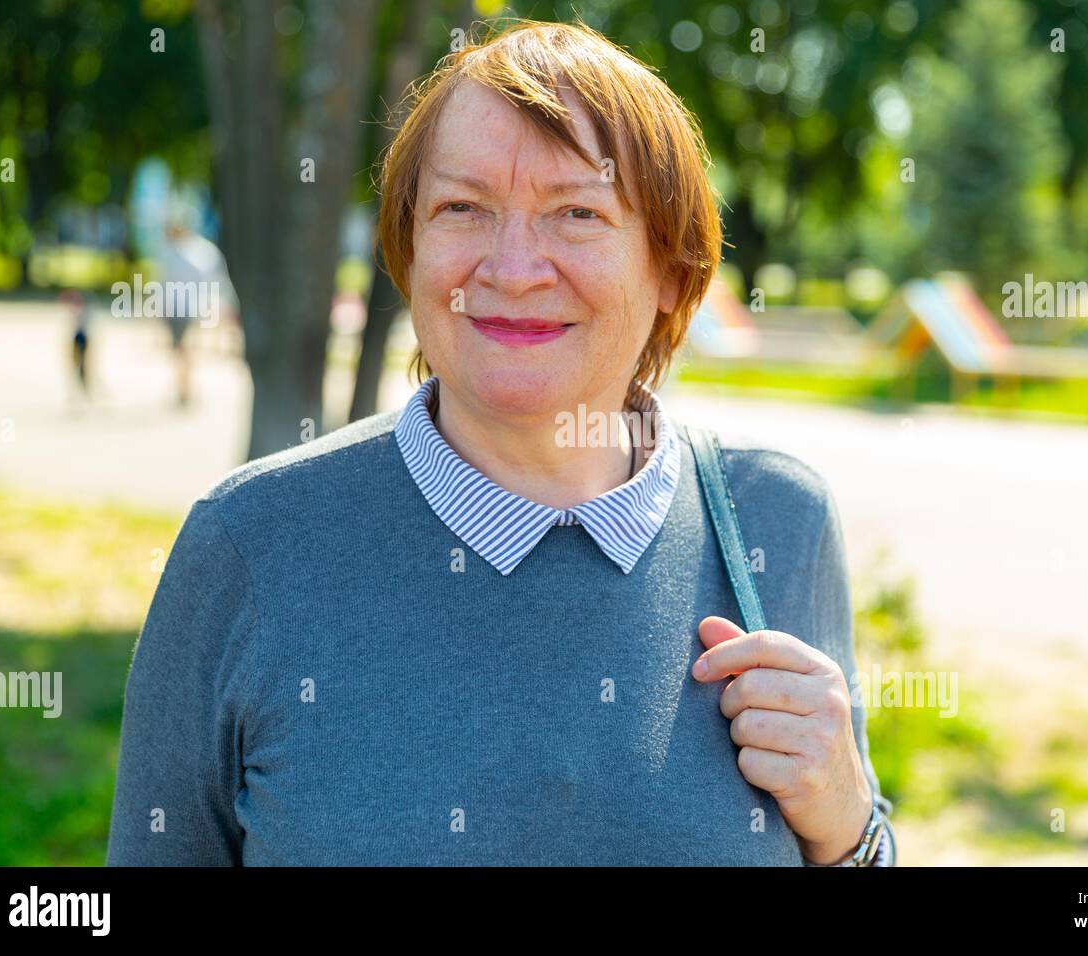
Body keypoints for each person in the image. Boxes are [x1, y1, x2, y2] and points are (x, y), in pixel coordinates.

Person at [105, 19, 895, 866]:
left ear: (671, 268)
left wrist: (849, 822)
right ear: (411, 245)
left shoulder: (778, 519)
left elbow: (853, 846)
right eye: (463, 208)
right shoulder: (248, 546)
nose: (513, 269)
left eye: (577, 212)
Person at [157, 217, 236, 408]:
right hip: (182, 307)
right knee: (183, 350)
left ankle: (185, 387)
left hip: (184, 308)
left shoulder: (192, 253)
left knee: (183, 349)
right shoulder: (192, 251)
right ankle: (185, 386)